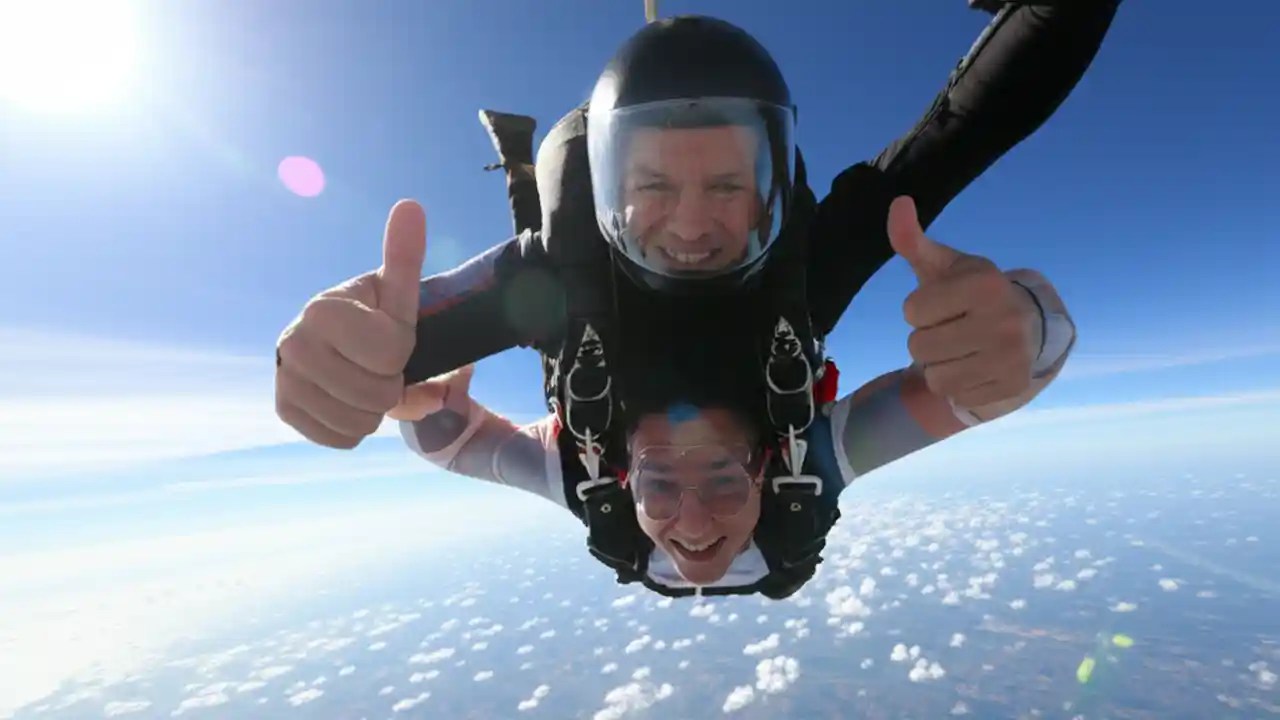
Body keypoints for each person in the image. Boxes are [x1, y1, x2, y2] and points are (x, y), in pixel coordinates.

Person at [393, 198, 1078, 596]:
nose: (691, 526)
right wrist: (1023, 332)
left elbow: (452, 443)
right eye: (713, 484)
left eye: (671, 486)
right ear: (763, 472)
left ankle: (538, 195)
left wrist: (423, 401)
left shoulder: (583, 474)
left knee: (563, 332)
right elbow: (980, 391)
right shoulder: (814, 462)